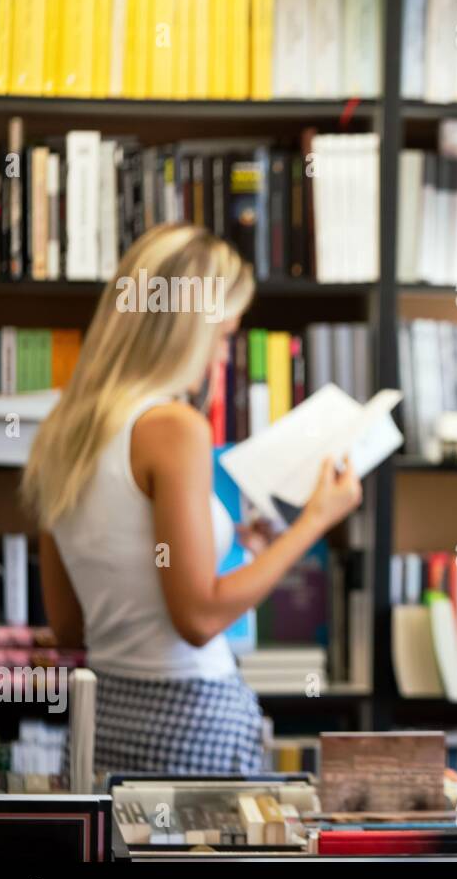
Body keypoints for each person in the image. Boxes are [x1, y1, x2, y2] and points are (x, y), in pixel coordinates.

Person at [22, 223, 362, 775]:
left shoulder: (60, 432)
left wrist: (243, 548)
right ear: (185, 329)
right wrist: (315, 521)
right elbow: (199, 618)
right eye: (224, 335)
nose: (223, 357)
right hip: (191, 721)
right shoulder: (173, 427)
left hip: (102, 720)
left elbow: (70, 627)